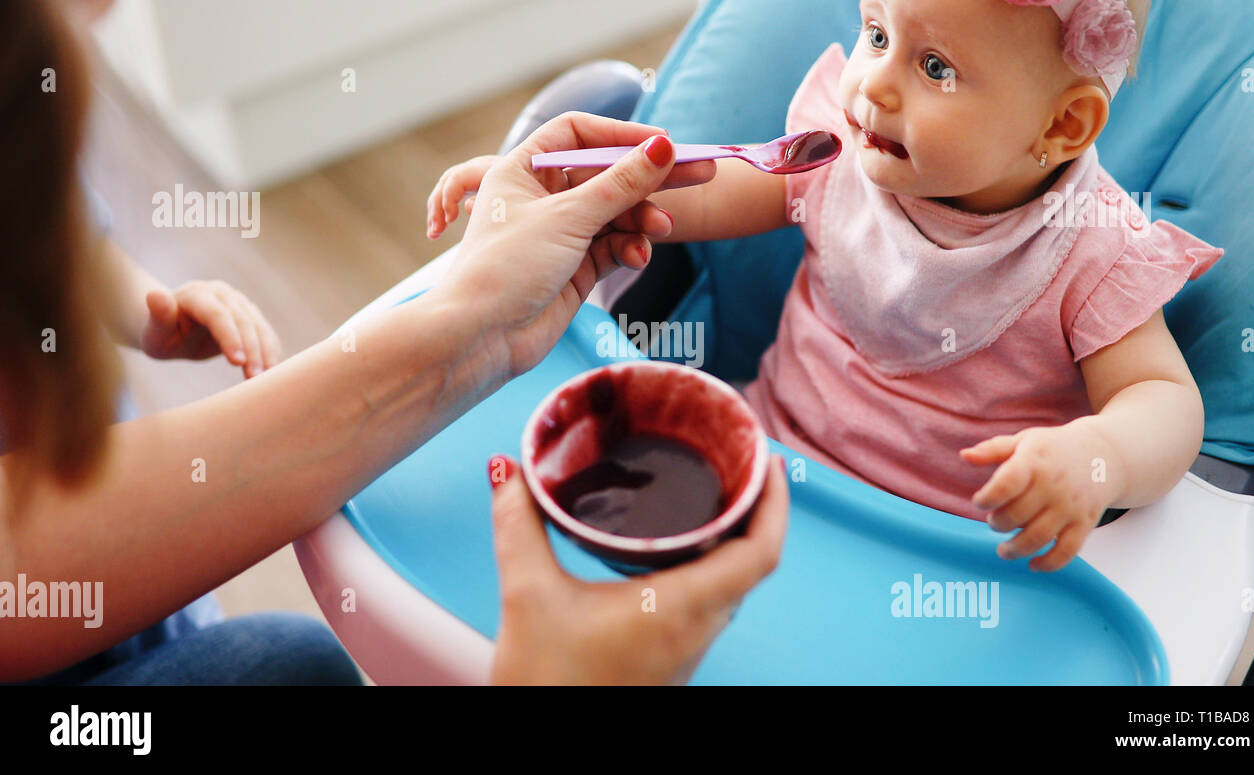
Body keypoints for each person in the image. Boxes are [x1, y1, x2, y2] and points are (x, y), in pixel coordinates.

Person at [0, 0, 787, 685]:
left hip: (119, 592)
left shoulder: (34, 141)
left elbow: (74, 232)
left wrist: (465, 320)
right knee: (292, 663)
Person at [427, 0, 1217, 574]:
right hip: (762, 469)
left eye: (934, 67)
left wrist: (1099, 455)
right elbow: (702, 188)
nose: (873, 85)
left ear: (1063, 128)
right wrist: (560, 194)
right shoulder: (838, 151)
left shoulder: (1091, 251)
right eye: (876, 33)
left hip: (945, 560)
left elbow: (1167, 403)